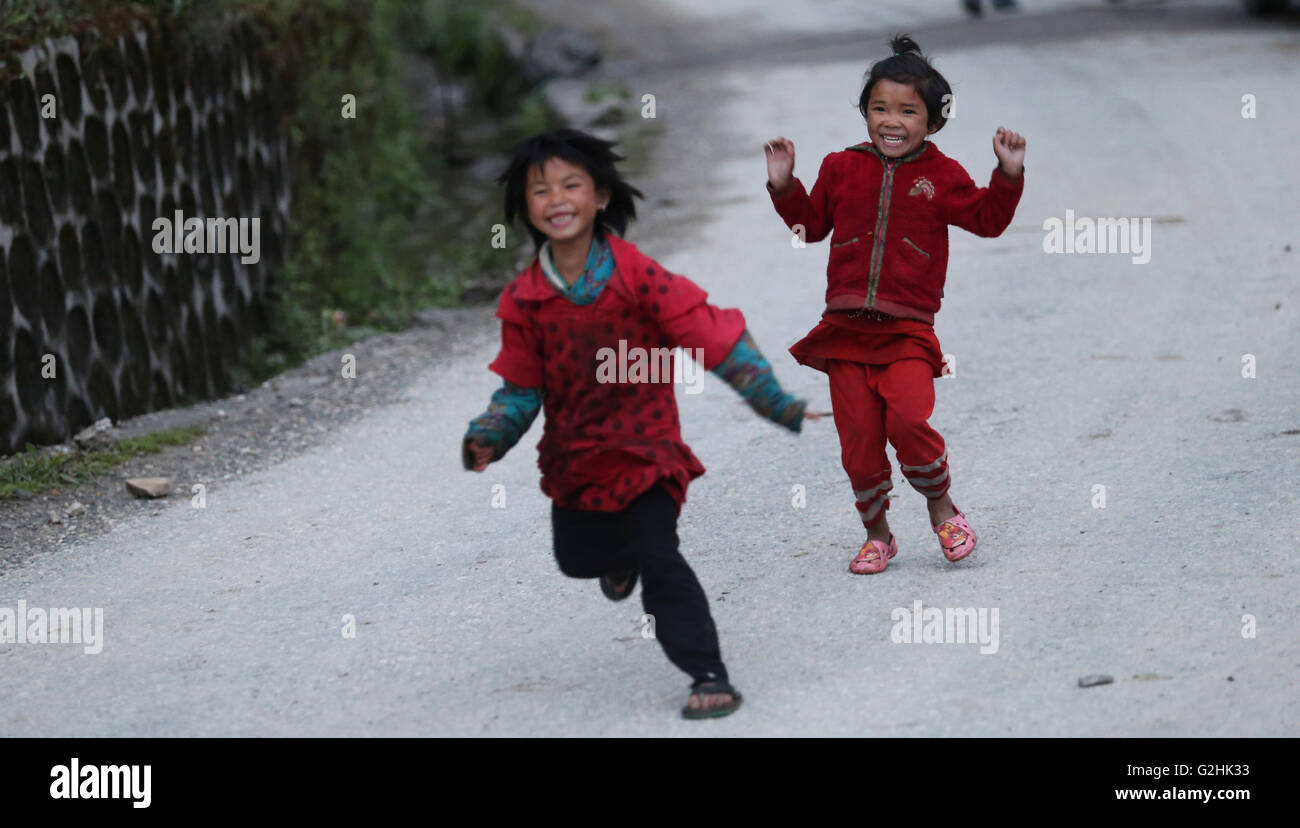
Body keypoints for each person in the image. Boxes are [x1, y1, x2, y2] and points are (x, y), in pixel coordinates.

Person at [464, 128, 818, 718]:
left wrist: (773, 399)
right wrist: (490, 435)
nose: (556, 198)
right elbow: (521, 388)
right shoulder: (524, 300)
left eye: (571, 184)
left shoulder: (637, 276)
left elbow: (711, 336)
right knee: (577, 559)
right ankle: (615, 559)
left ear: (601, 197)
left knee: (660, 553)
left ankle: (707, 673)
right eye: (540, 189)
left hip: (647, 448)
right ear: (525, 207)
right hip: (575, 459)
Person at [763, 35, 1026, 574]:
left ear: (932, 122)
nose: (892, 120)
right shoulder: (840, 167)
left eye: (909, 111)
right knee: (859, 444)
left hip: (906, 332)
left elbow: (988, 221)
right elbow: (809, 227)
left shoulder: (944, 175)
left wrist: (1008, 174)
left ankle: (941, 507)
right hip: (844, 332)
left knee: (908, 422)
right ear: (865, 112)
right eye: (880, 108)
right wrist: (785, 184)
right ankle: (877, 534)